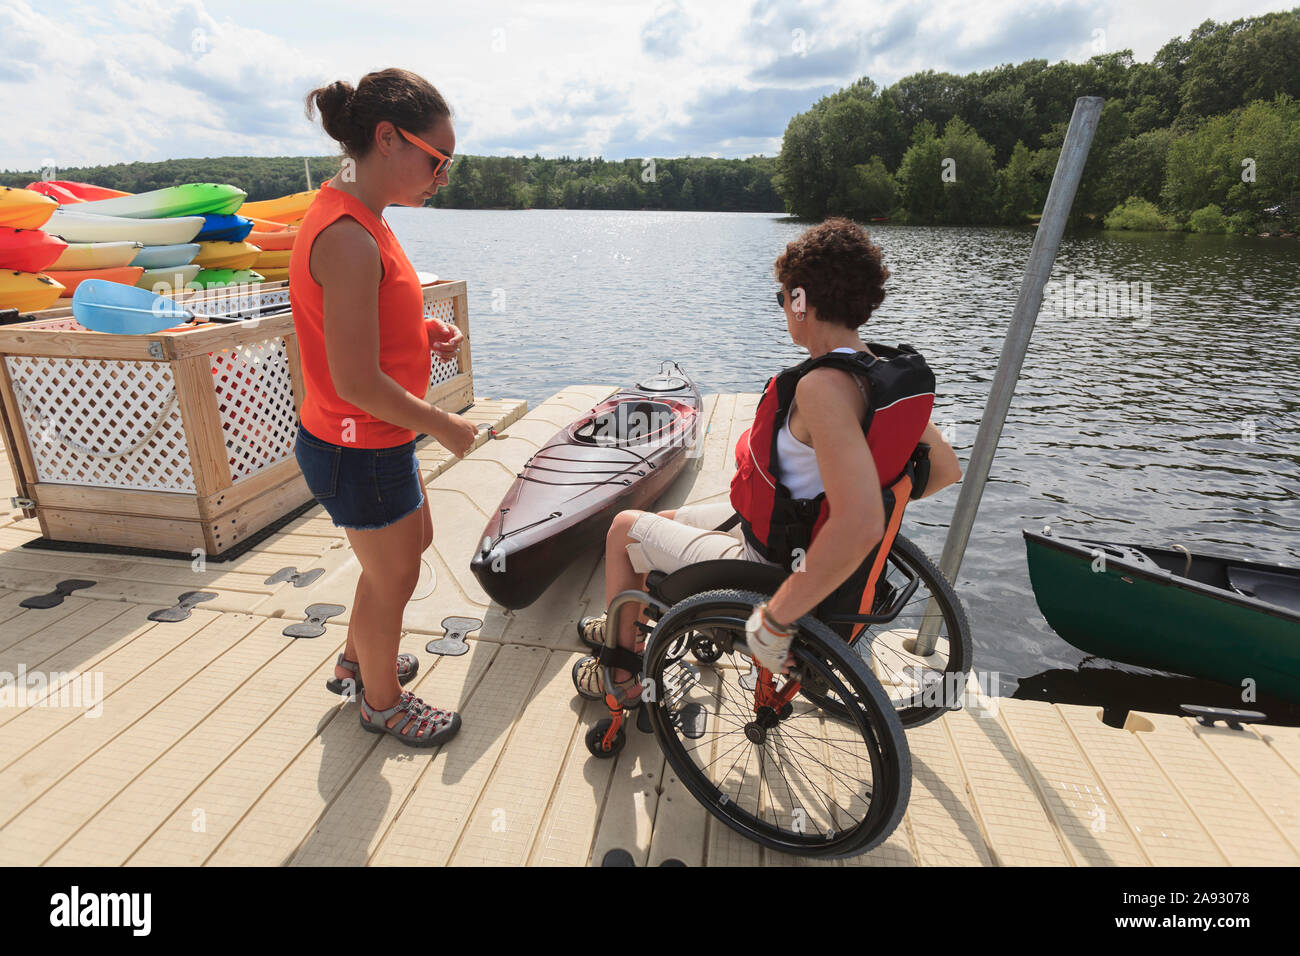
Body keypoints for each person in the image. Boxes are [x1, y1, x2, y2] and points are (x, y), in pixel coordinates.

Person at [571, 217, 963, 702]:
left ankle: (623, 677)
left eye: (784, 299)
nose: (784, 310)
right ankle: (623, 623)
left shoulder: (821, 389)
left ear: (800, 301)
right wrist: (862, 485)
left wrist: (775, 620)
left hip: (772, 565)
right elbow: (946, 471)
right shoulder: (882, 381)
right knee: (665, 521)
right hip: (790, 535)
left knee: (624, 530)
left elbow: (860, 522)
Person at [292, 68, 477, 747]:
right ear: (387, 138)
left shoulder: (365, 218)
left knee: (406, 552)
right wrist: (446, 425)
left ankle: (356, 656)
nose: (443, 176)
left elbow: (365, 329)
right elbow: (355, 381)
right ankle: (381, 701)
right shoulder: (346, 235)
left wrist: (422, 334)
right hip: (357, 442)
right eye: (437, 161)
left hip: (374, 441)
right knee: (396, 570)